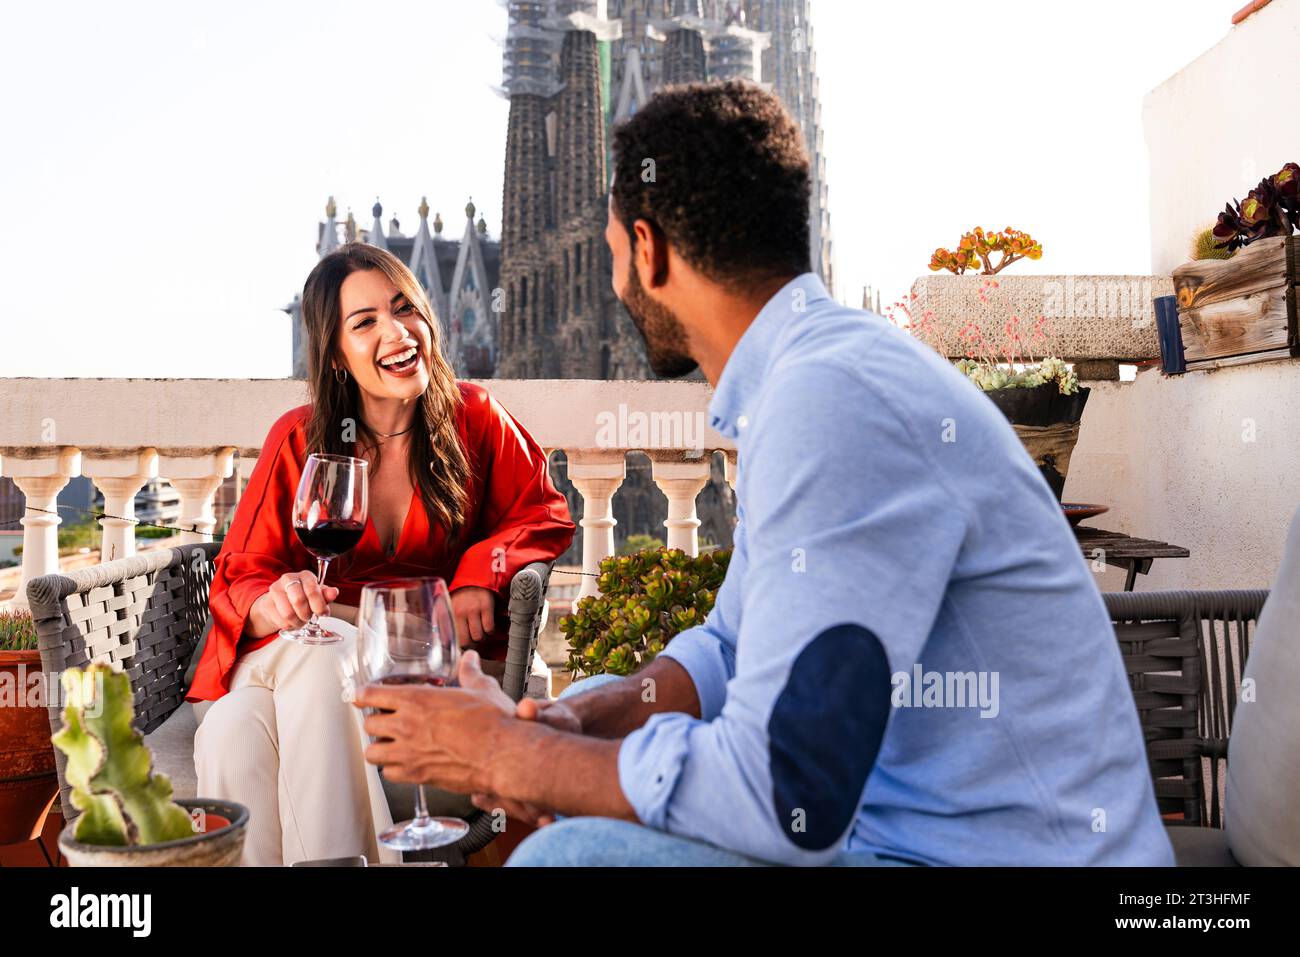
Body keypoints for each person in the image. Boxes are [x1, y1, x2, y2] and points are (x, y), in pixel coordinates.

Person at [354, 81, 1175, 867]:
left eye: (612, 254)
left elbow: (791, 795)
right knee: (612, 695)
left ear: (650, 250)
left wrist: (512, 754)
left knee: (572, 854)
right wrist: (576, 717)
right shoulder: (816, 375)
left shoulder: (831, 403)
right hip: (896, 832)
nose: (613, 284)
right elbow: (730, 645)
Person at [187, 243, 574, 866]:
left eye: (405, 309)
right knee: (324, 653)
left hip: (415, 672)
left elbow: (544, 512)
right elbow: (239, 576)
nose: (397, 333)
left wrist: (483, 570)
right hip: (296, 651)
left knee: (233, 733)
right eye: (364, 322)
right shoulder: (299, 437)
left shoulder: (473, 419)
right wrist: (272, 599)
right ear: (336, 356)